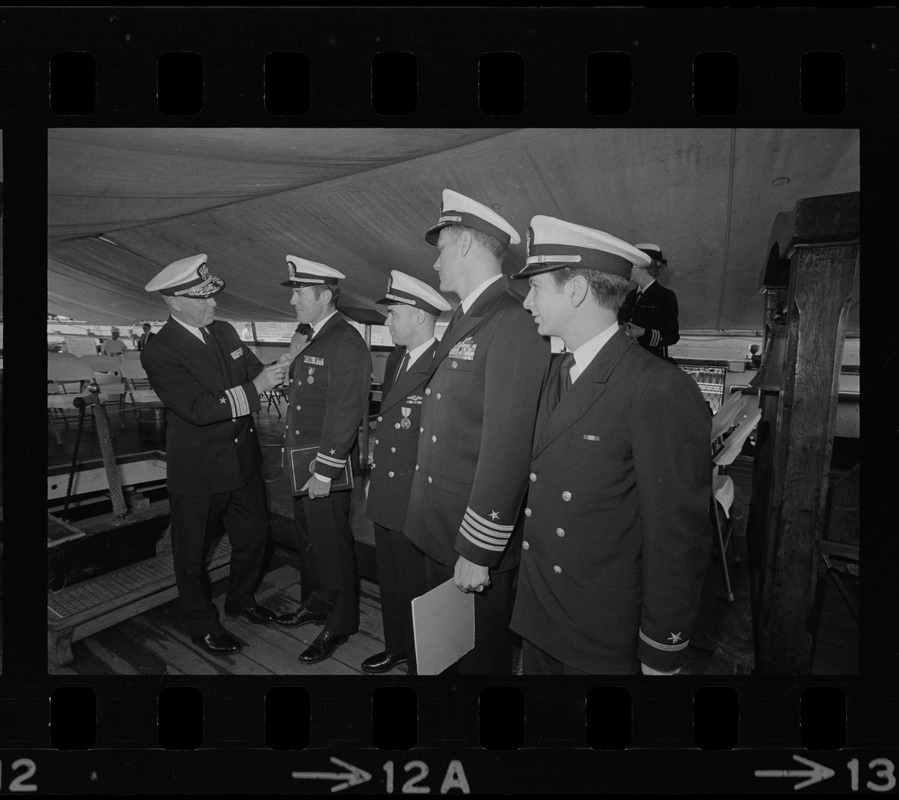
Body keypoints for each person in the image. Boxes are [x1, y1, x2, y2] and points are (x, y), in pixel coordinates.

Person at [510, 217, 712, 675]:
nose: (526, 302)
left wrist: (662, 647)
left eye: (537, 287)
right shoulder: (559, 371)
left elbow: (675, 535)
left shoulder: (657, 388)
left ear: (577, 290)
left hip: (600, 634)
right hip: (543, 614)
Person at [403, 190, 552, 675]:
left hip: (470, 532)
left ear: (465, 245)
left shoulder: (511, 322)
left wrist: (479, 548)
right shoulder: (466, 318)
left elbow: (507, 446)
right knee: (446, 652)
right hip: (438, 519)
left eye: (441, 249)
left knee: (480, 661)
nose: (435, 264)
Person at [141, 253, 287, 656]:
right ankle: (201, 622)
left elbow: (257, 370)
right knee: (190, 555)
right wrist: (258, 385)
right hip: (200, 472)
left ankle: (241, 600)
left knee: (256, 537)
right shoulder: (160, 351)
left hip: (242, 464)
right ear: (173, 302)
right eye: (201, 298)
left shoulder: (224, 331)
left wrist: (287, 362)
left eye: (212, 296)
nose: (213, 304)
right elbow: (201, 409)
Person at [274, 256, 372, 665]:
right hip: (301, 462)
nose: (294, 299)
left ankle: (340, 622)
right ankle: (314, 603)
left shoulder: (345, 342)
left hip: (321, 469)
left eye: (300, 292)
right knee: (308, 540)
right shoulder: (309, 335)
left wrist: (325, 471)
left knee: (332, 545)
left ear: (325, 295)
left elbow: (345, 411)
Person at [362, 270, 451, 675]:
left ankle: (422, 661)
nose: (387, 321)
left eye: (393, 313)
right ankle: (397, 646)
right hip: (387, 491)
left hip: (417, 499)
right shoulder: (397, 358)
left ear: (418, 317)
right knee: (391, 581)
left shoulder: (444, 364)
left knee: (418, 586)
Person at [617, 243, 680, 360]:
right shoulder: (630, 296)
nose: (627, 268)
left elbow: (672, 336)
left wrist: (643, 333)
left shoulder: (665, 296)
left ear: (643, 267)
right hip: (628, 358)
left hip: (651, 361)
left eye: (631, 265)